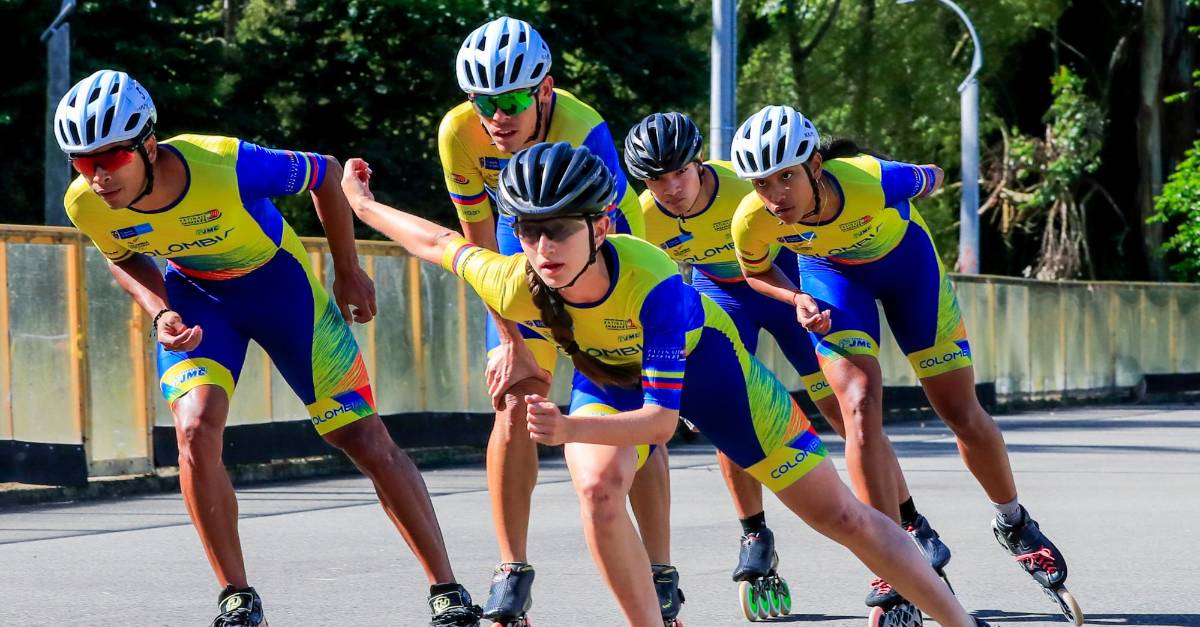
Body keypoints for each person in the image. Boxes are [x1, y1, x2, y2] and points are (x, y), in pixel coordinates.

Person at [341, 141, 992, 627]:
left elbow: (659, 427)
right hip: (609, 383)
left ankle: (958, 621)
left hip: (715, 377)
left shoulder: (650, 281)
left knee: (842, 515)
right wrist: (363, 205)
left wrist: (567, 427)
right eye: (530, 229)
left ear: (600, 226)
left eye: (560, 227)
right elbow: (440, 243)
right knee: (597, 488)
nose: (544, 247)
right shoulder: (518, 279)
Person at [55, 69, 481, 627]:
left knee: (362, 437)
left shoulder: (223, 163)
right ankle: (236, 596)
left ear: (148, 146)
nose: (97, 177)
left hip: (281, 289)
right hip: (199, 300)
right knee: (194, 428)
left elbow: (325, 174)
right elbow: (122, 255)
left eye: (109, 159)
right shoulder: (85, 203)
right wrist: (160, 311)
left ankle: (446, 590)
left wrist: (348, 272)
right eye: (82, 164)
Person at [730, 104, 1074, 615]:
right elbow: (754, 271)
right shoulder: (752, 219)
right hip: (831, 278)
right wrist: (794, 299)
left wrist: (924, 177)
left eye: (786, 178)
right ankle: (888, 561)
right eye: (761, 183)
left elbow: (931, 177)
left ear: (816, 166)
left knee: (961, 413)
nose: (775, 196)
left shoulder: (871, 180)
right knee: (858, 407)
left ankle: (1014, 520)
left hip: (909, 270)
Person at [624, 111, 951, 615]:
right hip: (719, 292)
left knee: (848, 414)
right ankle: (754, 534)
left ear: (700, 164)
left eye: (680, 173)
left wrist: (803, 296)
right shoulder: (643, 217)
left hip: (791, 285)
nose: (670, 189)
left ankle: (908, 520)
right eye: (656, 180)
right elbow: (649, 291)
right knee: (729, 413)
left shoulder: (746, 187)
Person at [438, 17, 669, 625]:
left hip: (604, 266)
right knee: (514, 403)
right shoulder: (459, 133)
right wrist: (510, 337)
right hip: (529, 267)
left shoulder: (585, 129)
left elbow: (614, 244)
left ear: (544, 90)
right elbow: (478, 243)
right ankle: (511, 570)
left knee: (633, 416)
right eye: (483, 101)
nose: (497, 116)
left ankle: (660, 570)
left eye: (512, 100)